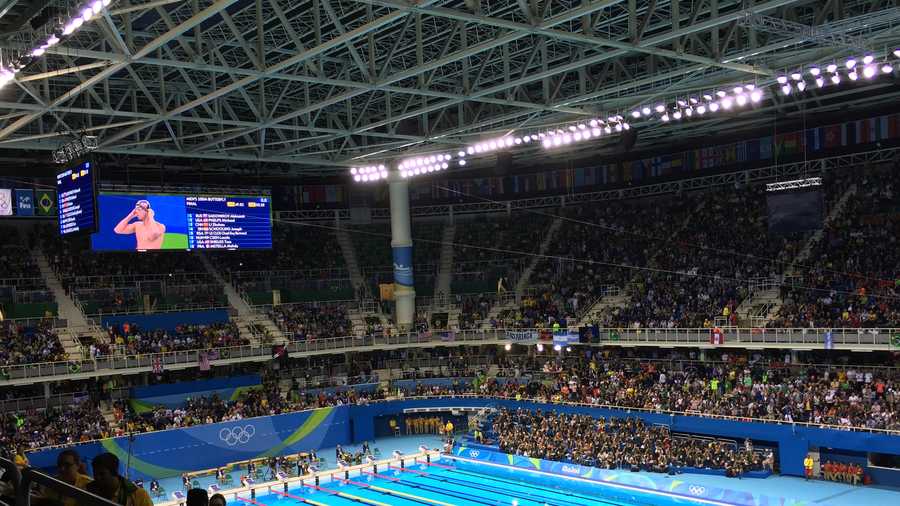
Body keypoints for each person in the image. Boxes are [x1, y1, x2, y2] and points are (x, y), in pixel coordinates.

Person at [86, 453, 153, 506]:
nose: (97, 478)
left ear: (114, 472)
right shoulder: (88, 493)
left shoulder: (139, 495)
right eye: (95, 474)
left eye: (102, 474)